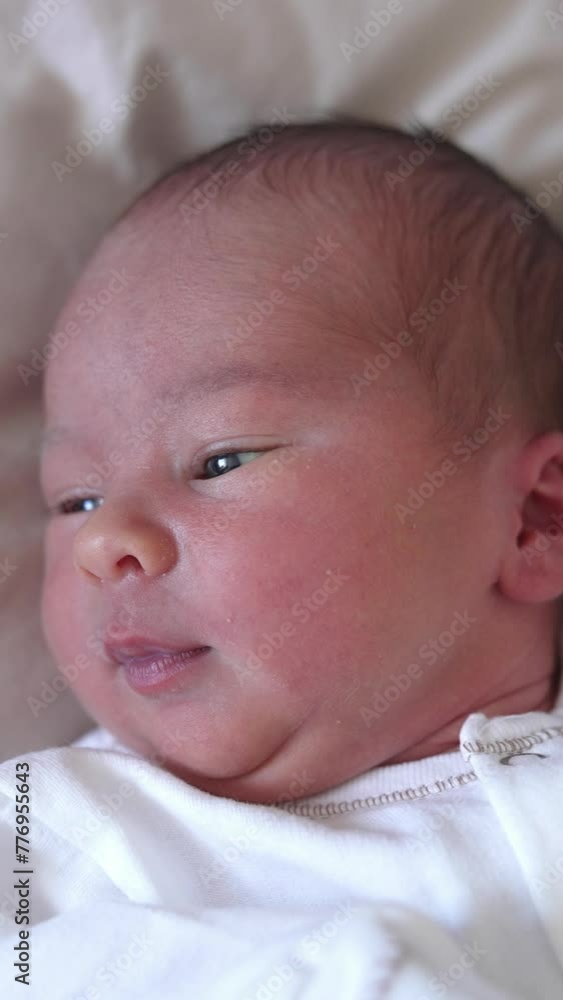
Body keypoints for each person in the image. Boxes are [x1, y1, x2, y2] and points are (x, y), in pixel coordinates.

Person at [3, 121, 563, 998]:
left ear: (535, 519)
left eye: (219, 460)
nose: (105, 541)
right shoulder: (57, 828)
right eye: (75, 500)